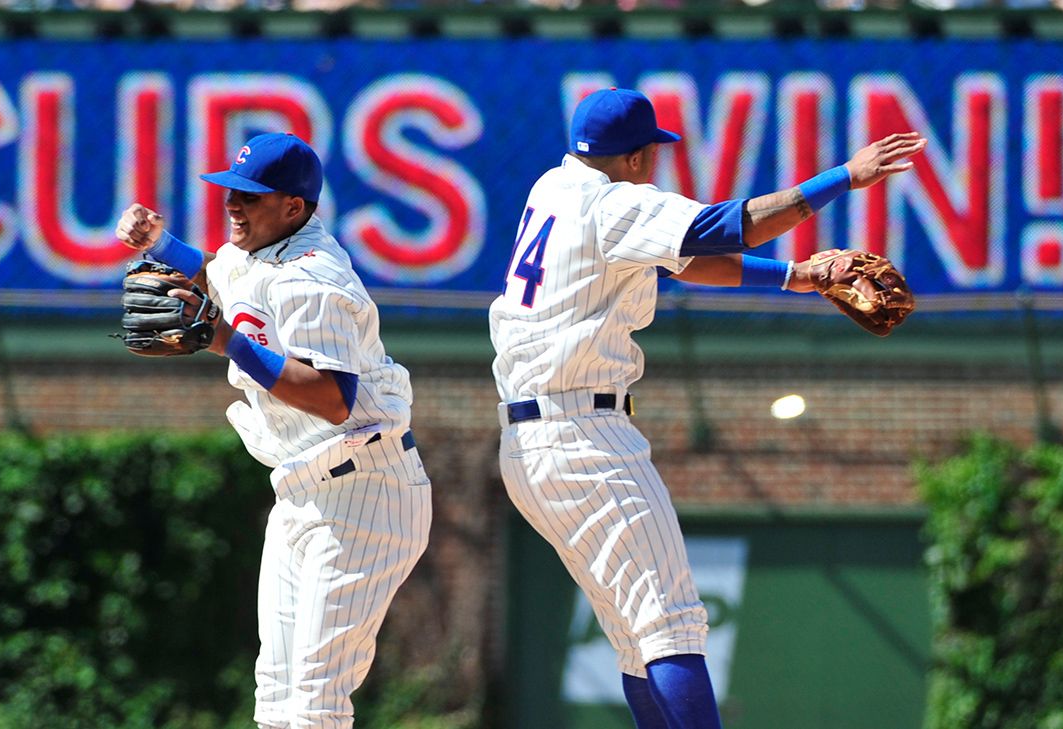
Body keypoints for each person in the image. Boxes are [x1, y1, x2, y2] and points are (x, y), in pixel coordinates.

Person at [488, 88, 925, 729]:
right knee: (672, 622)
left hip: (533, 441)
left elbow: (687, 260)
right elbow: (729, 226)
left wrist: (793, 276)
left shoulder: (554, 187)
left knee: (639, 634)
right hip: (580, 437)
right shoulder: (614, 202)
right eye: (652, 152)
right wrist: (843, 178)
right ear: (636, 157)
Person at [115, 132, 432, 729]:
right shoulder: (259, 251)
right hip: (303, 489)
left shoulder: (316, 278)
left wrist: (222, 339)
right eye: (230, 191)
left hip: (365, 491)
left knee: (315, 696)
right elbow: (220, 274)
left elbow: (332, 398)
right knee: (277, 693)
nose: (233, 205)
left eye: (251, 196)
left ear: (294, 207)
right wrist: (160, 243)